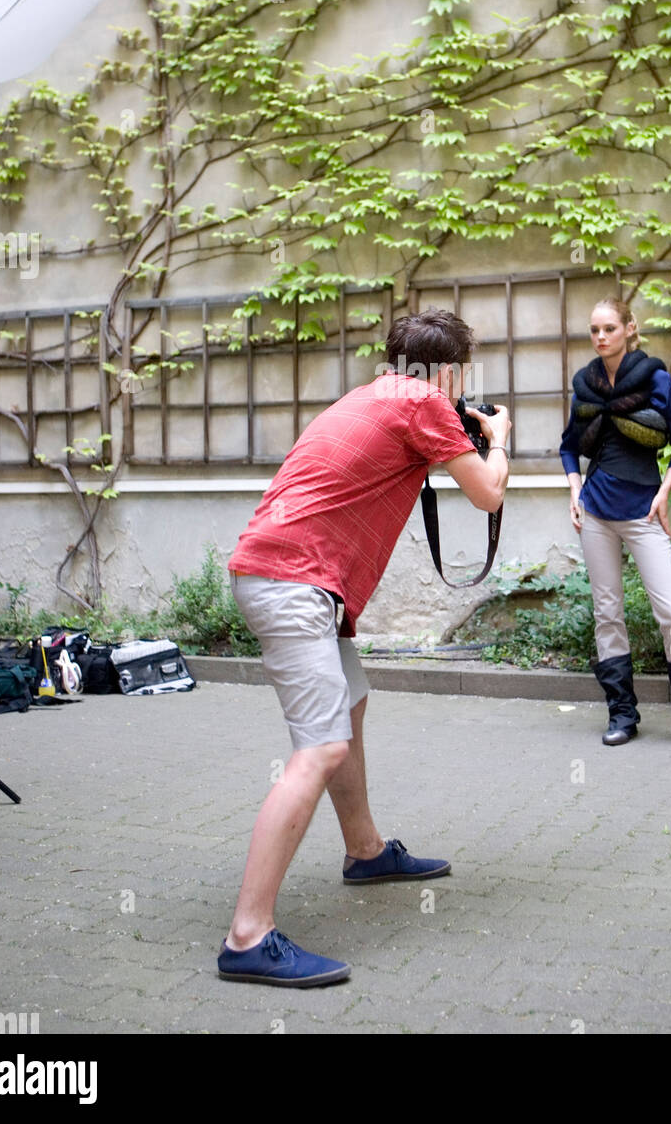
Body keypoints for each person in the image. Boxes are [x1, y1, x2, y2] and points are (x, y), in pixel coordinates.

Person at [218, 307, 512, 987]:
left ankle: (366, 851)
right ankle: (246, 936)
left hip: (285, 577)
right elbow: (487, 496)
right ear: (450, 371)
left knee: (349, 709)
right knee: (320, 748)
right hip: (293, 584)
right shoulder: (421, 402)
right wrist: (496, 436)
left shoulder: (372, 396)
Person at [559, 296, 671, 751]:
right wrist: (574, 490)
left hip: (643, 512)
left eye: (609, 328)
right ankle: (622, 714)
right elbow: (568, 446)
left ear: (629, 328)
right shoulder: (585, 385)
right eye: (594, 330)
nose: (601, 337)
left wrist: (664, 492)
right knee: (608, 613)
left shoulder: (656, 379)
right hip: (597, 515)